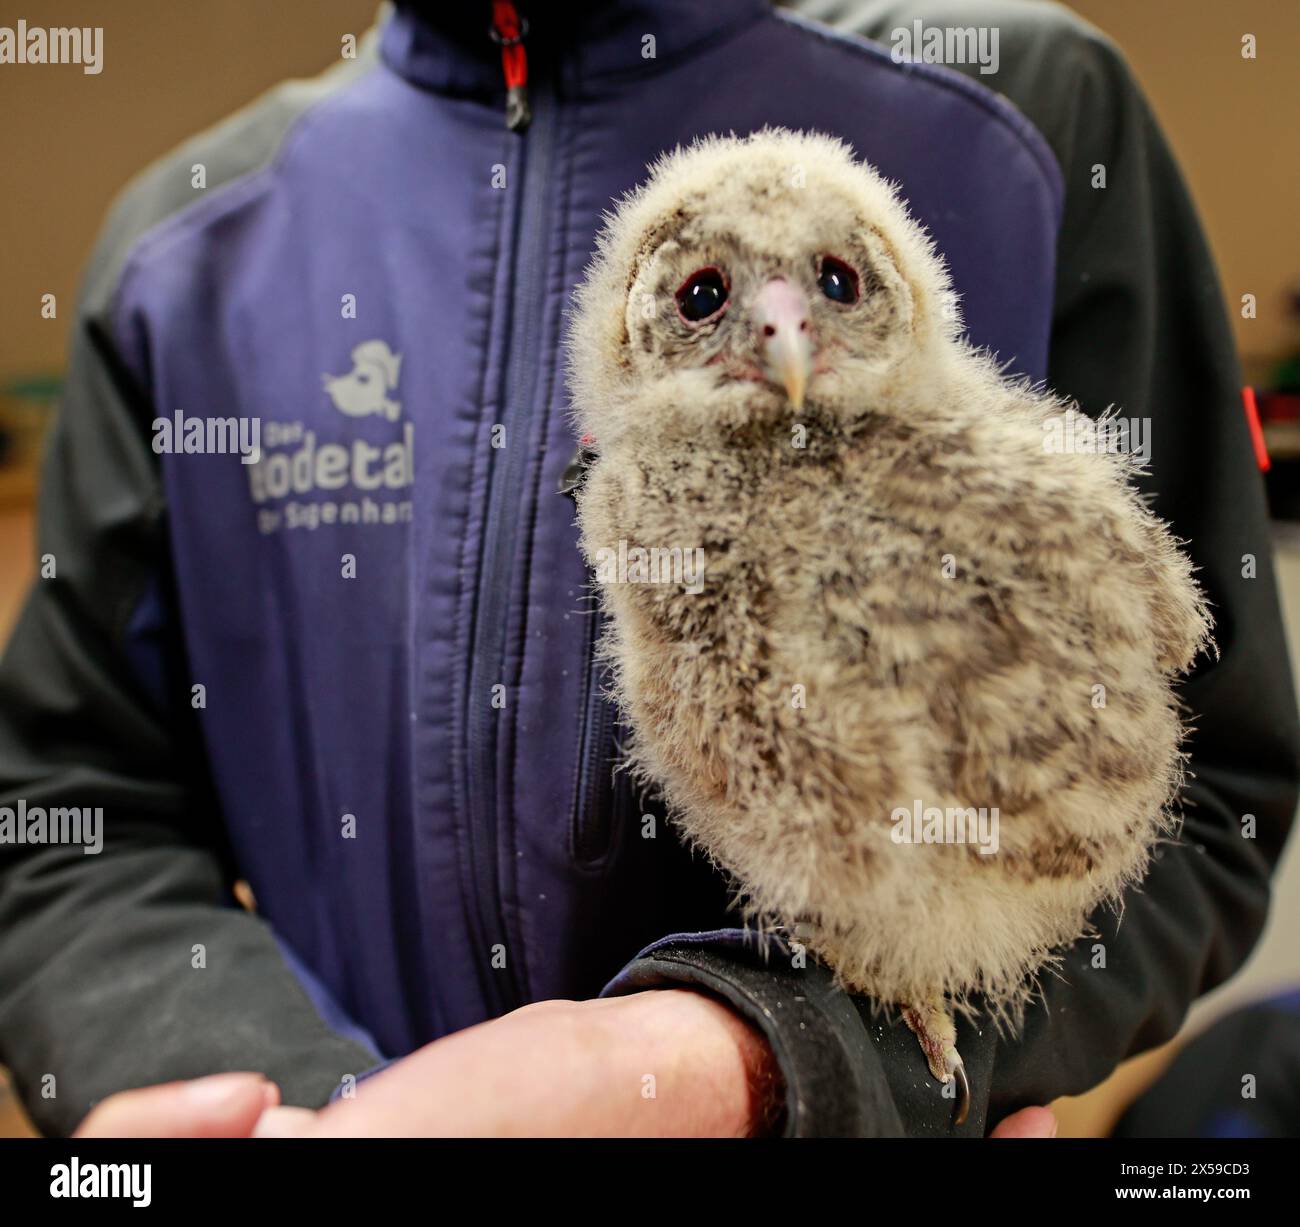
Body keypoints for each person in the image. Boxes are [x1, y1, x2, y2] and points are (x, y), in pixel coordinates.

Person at [1, 0, 1295, 1138]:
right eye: (703, 303)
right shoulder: (187, 256)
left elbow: (1195, 785)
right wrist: (305, 1110)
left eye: (836, 287)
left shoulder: (1025, 109)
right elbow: (69, 817)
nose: (785, 330)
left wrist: (792, 1067)